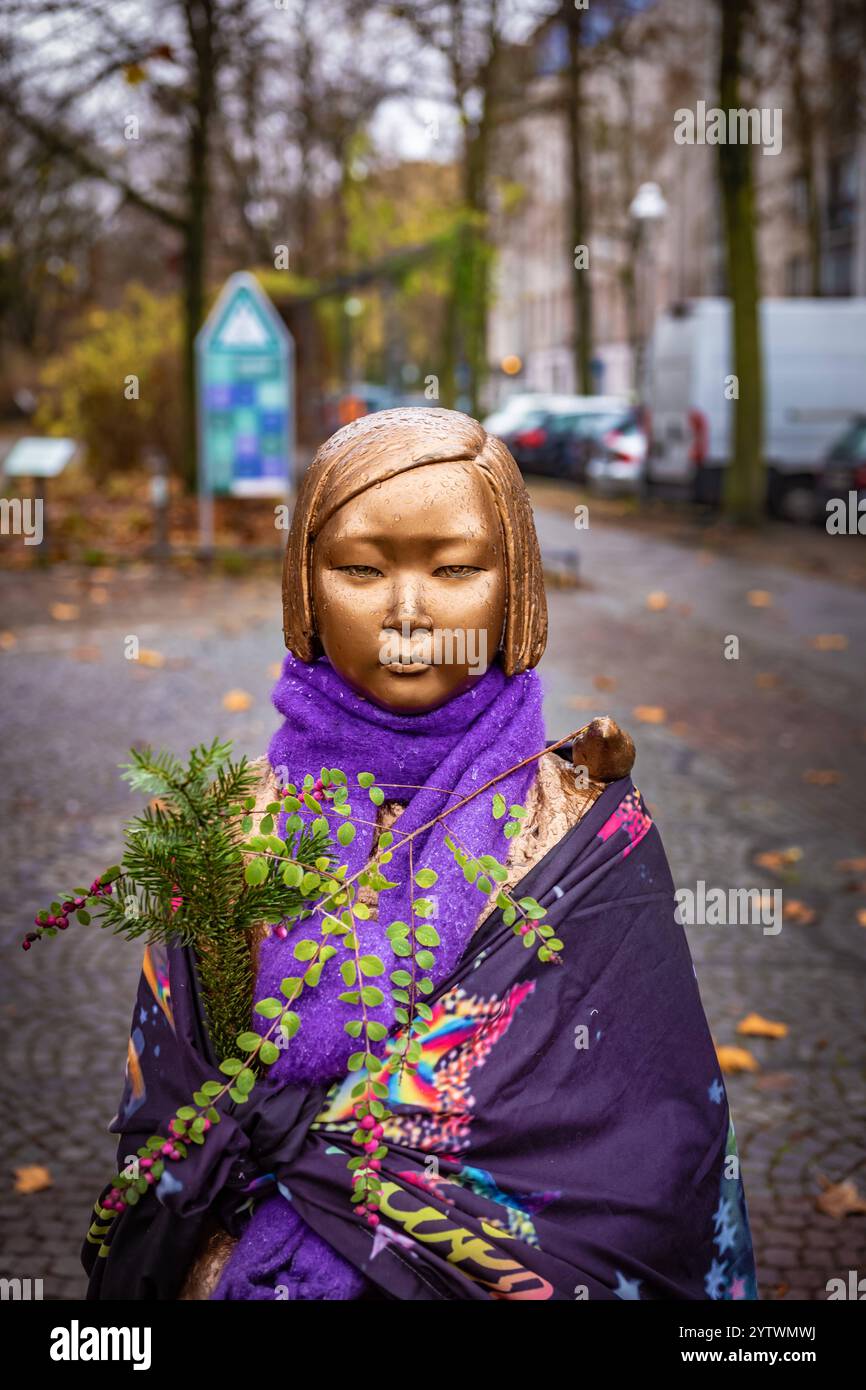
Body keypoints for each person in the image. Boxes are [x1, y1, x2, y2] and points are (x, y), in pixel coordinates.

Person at [83, 408, 757, 1301]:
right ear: (305, 587)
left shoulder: (582, 829)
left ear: (514, 586)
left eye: (455, 569)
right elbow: (165, 1131)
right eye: (362, 568)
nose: (407, 611)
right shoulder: (223, 832)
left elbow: (653, 1147)